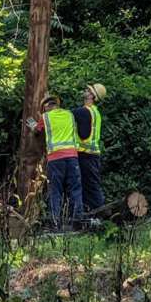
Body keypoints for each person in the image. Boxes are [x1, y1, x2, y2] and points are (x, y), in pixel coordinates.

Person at [28, 95, 83, 229]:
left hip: (55, 159)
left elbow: (36, 130)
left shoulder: (46, 117)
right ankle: (77, 222)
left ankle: (55, 223)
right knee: (75, 189)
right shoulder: (69, 114)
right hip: (72, 157)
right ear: (57, 105)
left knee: (55, 191)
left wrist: (32, 125)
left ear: (46, 107)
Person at [72, 83, 107, 215]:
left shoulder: (84, 111)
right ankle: (92, 216)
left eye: (88, 90)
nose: (85, 91)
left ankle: (100, 215)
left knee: (90, 187)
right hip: (91, 155)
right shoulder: (95, 112)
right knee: (89, 186)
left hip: (86, 155)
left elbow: (65, 115)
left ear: (92, 96)